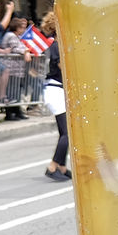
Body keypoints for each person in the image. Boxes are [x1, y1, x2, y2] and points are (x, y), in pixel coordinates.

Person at [38, 11, 70, 181]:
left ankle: (62, 167)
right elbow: (62, 66)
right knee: (67, 133)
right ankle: (52, 166)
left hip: (58, 90)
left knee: (64, 132)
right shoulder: (56, 46)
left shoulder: (57, 45)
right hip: (55, 90)